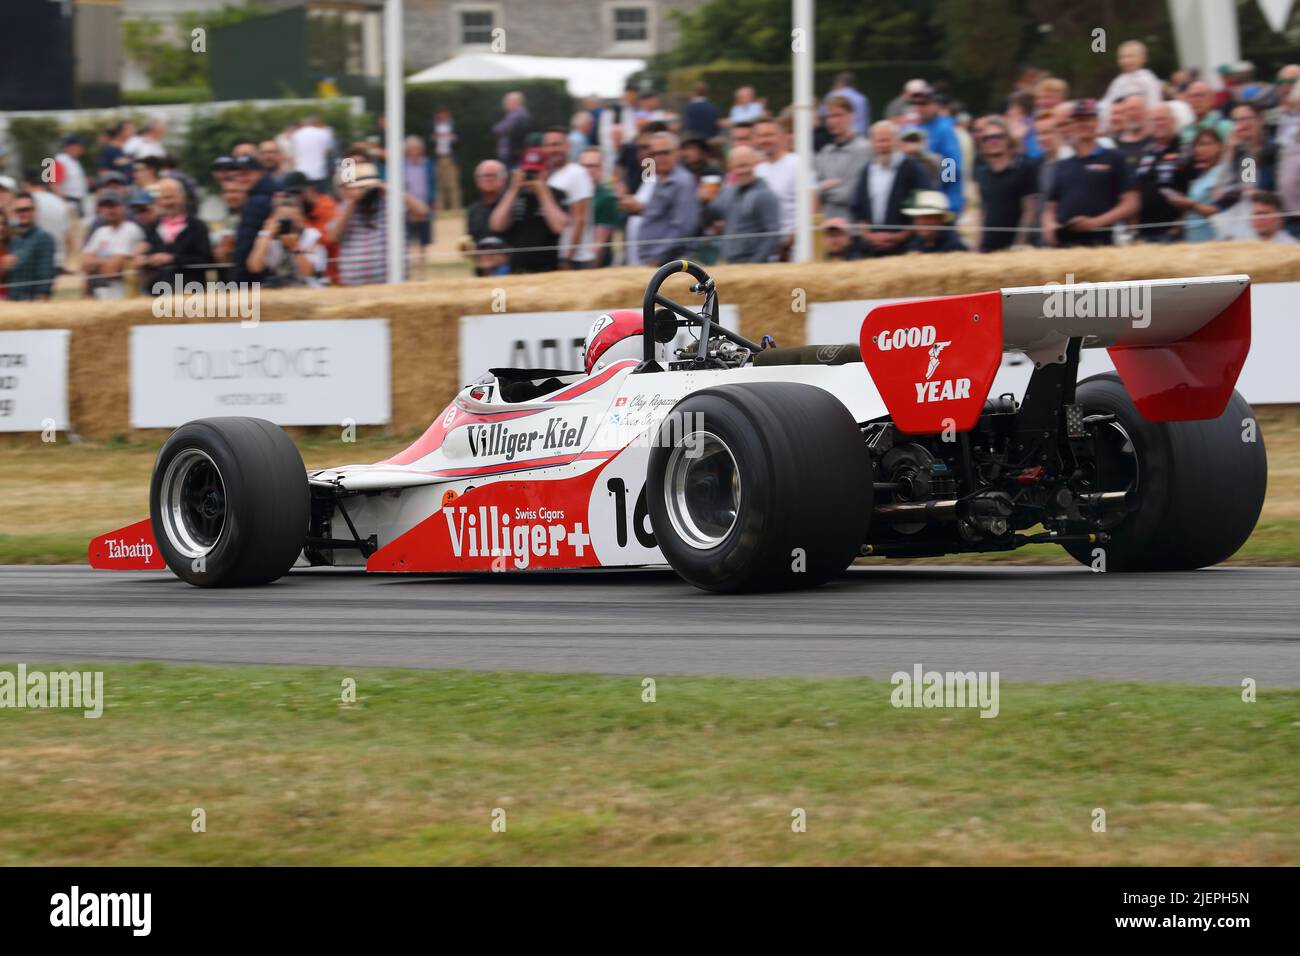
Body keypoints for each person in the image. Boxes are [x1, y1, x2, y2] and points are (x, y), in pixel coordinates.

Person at [1043, 99, 1138, 246]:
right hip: (1066, 250)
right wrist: (1049, 225)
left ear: (1097, 122)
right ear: (1072, 124)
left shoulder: (1114, 157)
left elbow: (1131, 203)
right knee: (1069, 271)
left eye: (1089, 119)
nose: (1084, 124)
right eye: (1079, 120)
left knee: (1097, 270)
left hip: (1102, 247)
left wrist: (1096, 223)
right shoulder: (1063, 164)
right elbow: (1050, 208)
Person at [328, 162, 428, 285]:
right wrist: (353, 202)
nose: (365, 192)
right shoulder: (345, 207)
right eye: (359, 187)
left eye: (367, 187)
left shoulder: (390, 202)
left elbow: (421, 212)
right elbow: (333, 237)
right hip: (355, 284)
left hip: (392, 281)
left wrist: (389, 189)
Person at [851, 121, 930, 256]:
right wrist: (870, 236)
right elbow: (859, 210)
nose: (883, 146)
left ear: (897, 142)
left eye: (887, 140)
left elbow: (925, 209)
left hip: (906, 248)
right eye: (879, 141)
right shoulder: (866, 170)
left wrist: (899, 236)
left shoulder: (915, 169)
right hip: (872, 248)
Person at [621, 131, 700, 266]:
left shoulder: (683, 182)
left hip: (666, 264)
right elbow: (658, 214)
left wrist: (657, 257)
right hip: (646, 259)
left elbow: (682, 228)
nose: (659, 158)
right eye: (654, 154)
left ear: (677, 153)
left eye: (665, 153)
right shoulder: (657, 178)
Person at [487, 147, 570, 274]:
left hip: (548, 270)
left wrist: (543, 193)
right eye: (528, 172)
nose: (531, 176)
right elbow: (497, 225)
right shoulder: (512, 195)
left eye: (536, 172)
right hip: (517, 270)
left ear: (546, 171)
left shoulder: (557, 195)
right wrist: (513, 190)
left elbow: (559, 227)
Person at [700, 145, 781, 264]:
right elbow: (707, 219)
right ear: (730, 168)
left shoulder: (765, 195)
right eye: (738, 166)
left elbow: (773, 235)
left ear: (755, 164)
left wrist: (754, 264)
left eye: (746, 165)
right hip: (729, 263)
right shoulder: (728, 192)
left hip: (752, 267)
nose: (742, 170)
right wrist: (704, 201)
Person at [135, 177, 213, 294]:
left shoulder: (197, 227)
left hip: (190, 295)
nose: (167, 203)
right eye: (162, 198)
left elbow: (206, 260)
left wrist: (173, 259)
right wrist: (144, 260)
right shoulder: (153, 227)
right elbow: (149, 253)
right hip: (157, 297)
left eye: (170, 197)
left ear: (183, 198)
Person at [973, 117, 1038, 251]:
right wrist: (976, 247)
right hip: (987, 248)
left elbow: (1030, 210)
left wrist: (1019, 244)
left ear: (1008, 139)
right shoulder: (981, 173)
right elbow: (982, 212)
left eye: (998, 136)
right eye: (987, 138)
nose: (993, 141)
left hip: (1014, 250)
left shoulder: (1025, 168)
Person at [1164, 128, 1234, 243]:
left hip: (1214, 238)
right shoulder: (1199, 176)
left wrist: (1190, 205)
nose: (1199, 149)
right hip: (1193, 238)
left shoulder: (1225, 172)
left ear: (1220, 146)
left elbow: (1218, 209)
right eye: (1196, 145)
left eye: (1205, 144)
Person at [1131, 102, 1187, 241]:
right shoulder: (1146, 152)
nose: (1158, 123)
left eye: (1162, 119)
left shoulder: (1184, 150)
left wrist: (1180, 222)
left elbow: (1190, 186)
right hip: (1144, 229)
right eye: (1154, 120)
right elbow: (1138, 186)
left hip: (1170, 230)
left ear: (1173, 121)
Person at [246, 196, 327, 287]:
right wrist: (266, 236)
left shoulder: (311, 236)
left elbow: (308, 273)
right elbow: (254, 267)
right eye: (283, 218)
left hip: (309, 288)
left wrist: (296, 247)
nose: (288, 223)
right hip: (282, 290)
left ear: (301, 219)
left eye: (292, 218)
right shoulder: (268, 237)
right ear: (274, 218)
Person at [908, 84, 963, 214]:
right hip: (923, 203)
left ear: (937, 105)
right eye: (916, 103)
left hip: (945, 204)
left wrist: (924, 156)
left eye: (924, 103)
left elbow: (952, 170)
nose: (919, 107)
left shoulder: (945, 129)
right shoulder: (915, 128)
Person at [815, 95, 871, 221]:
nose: (832, 121)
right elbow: (813, 191)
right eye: (829, 116)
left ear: (851, 116)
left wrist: (822, 188)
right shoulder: (825, 152)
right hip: (827, 227)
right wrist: (821, 188)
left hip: (852, 228)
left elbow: (850, 194)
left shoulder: (864, 149)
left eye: (837, 115)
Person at [543, 126, 593, 268]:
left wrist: (568, 257)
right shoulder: (551, 176)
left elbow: (580, 218)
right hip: (558, 256)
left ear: (568, 145)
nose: (553, 149)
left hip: (576, 260)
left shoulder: (577, 174)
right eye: (548, 145)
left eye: (557, 144)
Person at [82, 190, 145, 299]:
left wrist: (96, 263)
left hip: (124, 294)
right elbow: (85, 264)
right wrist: (107, 262)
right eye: (105, 207)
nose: (109, 210)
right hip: (101, 294)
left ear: (123, 208)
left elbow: (112, 270)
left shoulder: (131, 229)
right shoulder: (100, 232)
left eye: (113, 206)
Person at [280, 170, 338, 285]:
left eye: (297, 192)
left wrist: (300, 222)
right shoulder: (296, 212)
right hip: (304, 273)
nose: (295, 198)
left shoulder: (327, 207)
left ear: (310, 189)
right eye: (290, 194)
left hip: (332, 272)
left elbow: (328, 239)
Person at [229, 155, 279, 283]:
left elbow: (247, 244)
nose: (241, 178)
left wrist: (239, 278)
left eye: (246, 173)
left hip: (253, 277)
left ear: (259, 174)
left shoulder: (257, 202)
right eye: (238, 175)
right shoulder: (268, 194)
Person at [754, 116, 799, 253]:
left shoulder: (797, 163)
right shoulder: (757, 170)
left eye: (769, 135)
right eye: (760, 136)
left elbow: (812, 206)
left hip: (794, 250)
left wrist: (789, 242)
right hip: (765, 250)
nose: (765, 140)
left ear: (780, 136)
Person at [2, 193, 57, 301]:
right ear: (14, 213)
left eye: (26, 209)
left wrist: (41, 301)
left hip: (31, 303)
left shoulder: (44, 238)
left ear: (34, 210)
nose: (23, 213)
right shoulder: (12, 237)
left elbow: (45, 278)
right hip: (11, 302)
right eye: (19, 210)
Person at [577, 147, 620, 268]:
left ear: (601, 169)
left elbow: (599, 245)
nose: (588, 170)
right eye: (584, 166)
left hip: (594, 266)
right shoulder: (576, 194)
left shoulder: (606, 197)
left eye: (593, 166)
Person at [21, 171, 69, 272]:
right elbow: (67, 236)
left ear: (26, 183)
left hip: (34, 264)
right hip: (58, 263)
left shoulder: (25, 204)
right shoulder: (59, 202)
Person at [400, 135, 437, 267]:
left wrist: (432, 202)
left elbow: (433, 183)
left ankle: (423, 266)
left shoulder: (428, 164)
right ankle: (409, 265)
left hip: (425, 204)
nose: (414, 151)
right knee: (408, 239)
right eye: (411, 149)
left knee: (424, 240)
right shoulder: (401, 165)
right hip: (408, 207)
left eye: (417, 148)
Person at [1101, 40, 1164, 107]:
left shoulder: (1149, 81)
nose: (1125, 61)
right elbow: (1106, 105)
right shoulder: (1118, 81)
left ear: (1143, 58)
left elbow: (1154, 106)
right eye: (1122, 57)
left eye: (1130, 56)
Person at [900, 190, 967, 253]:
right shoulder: (913, 247)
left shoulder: (954, 248)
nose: (923, 222)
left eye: (929, 218)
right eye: (919, 217)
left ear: (941, 219)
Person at [466, 159, 507, 246]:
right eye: (485, 176)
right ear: (477, 182)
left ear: (503, 180)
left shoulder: (511, 206)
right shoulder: (473, 210)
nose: (489, 179)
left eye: (493, 175)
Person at [1180, 81, 1234, 145]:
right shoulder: (1186, 131)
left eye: (1200, 96)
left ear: (1212, 99)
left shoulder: (1225, 126)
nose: (1196, 100)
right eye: (1191, 97)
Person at [290, 115, 334, 187]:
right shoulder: (324, 133)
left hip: (301, 172)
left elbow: (294, 153)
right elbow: (328, 151)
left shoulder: (296, 134)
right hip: (319, 172)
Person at [432, 106, 461, 211]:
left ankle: (455, 209)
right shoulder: (433, 126)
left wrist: (454, 138)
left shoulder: (454, 125)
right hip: (438, 158)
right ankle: (441, 209)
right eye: (440, 113)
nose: (442, 116)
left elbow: (461, 141)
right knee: (439, 186)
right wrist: (434, 138)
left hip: (450, 158)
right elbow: (428, 141)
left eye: (444, 113)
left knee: (453, 185)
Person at [823, 71, 870, 137]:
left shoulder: (832, 96)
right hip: (860, 136)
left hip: (839, 137)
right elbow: (865, 122)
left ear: (840, 82)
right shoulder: (862, 98)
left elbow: (823, 114)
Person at [492, 91, 531, 169]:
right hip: (512, 152)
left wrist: (498, 128)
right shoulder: (516, 115)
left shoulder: (517, 115)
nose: (504, 105)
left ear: (515, 102)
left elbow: (499, 129)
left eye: (506, 102)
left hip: (512, 153)